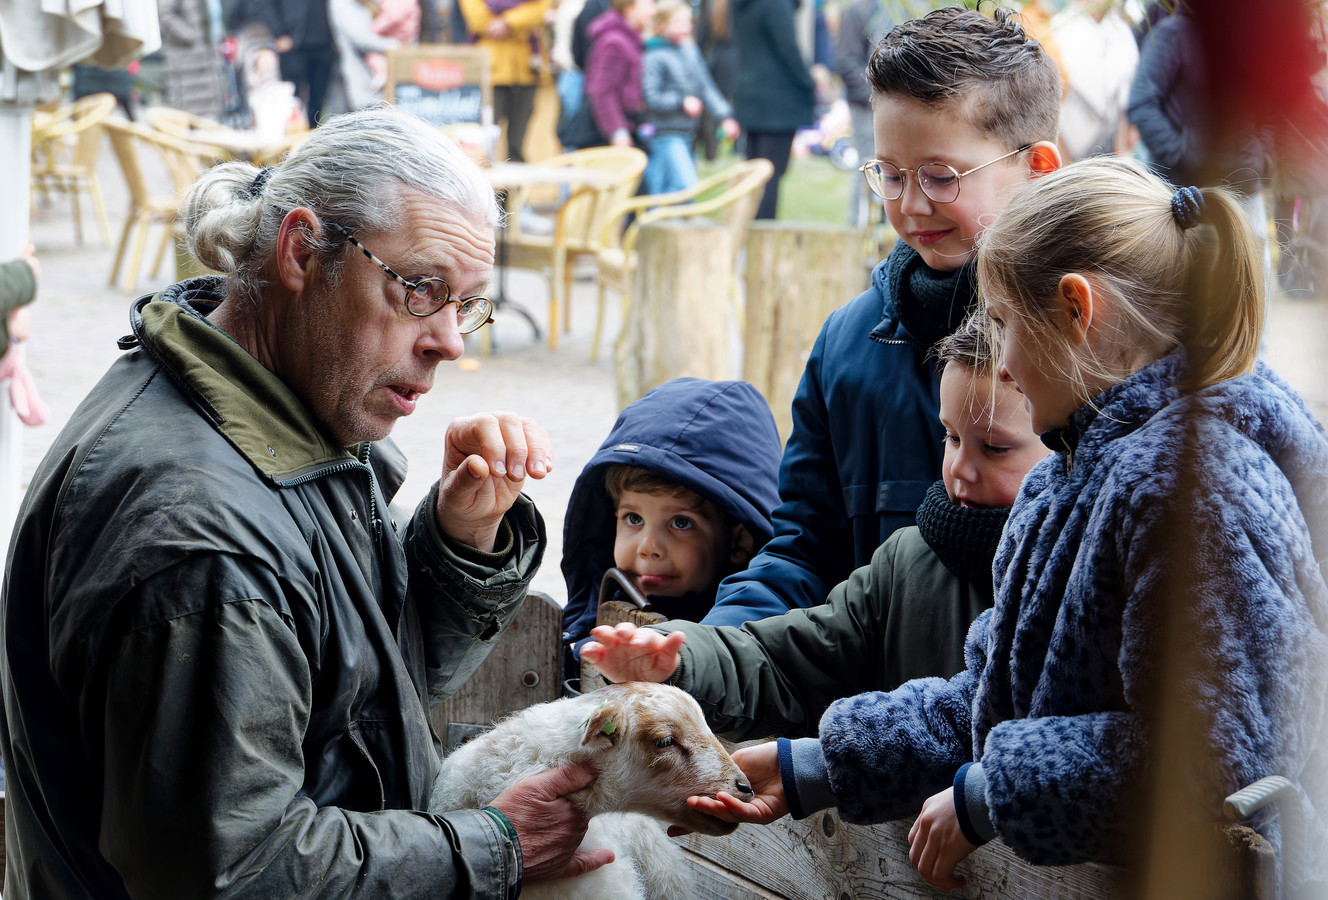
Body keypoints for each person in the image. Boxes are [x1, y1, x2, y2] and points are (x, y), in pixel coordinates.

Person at [605, 156, 1328, 893]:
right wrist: (810, 766)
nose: (1003, 361)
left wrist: (992, 795)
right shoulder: (1066, 481)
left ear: (1077, 312)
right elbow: (990, 702)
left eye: (1007, 324)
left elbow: (1213, 756)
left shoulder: (1190, 490)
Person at [0, 107, 617, 898]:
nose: (452, 342)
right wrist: (491, 848)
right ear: (300, 250)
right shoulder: (205, 539)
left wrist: (459, 541)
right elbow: (237, 872)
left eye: (465, 303)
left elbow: (355, 702)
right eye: (422, 290)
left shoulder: (281, 414)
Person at [702, 6, 1063, 628]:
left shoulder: (1095, 348)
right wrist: (709, 653)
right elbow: (805, 547)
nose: (911, 204)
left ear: (1037, 169)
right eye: (890, 175)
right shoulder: (848, 343)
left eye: (941, 177)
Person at [581, 311, 1048, 718]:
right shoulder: (906, 563)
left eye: (994, 447)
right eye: (950, 438)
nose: (960, 468)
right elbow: (793, 659)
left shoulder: (1085, 572)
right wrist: (685, 661)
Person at [560, 378, 781, 662]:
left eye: (680, 523)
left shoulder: (752, 646)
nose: (648, 546)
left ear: (741, 540)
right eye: (634, 518)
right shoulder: (588, 631)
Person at [640, 0, 739, 194]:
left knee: (668, 187)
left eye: (688, 21)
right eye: (680, 22)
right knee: (683, 184)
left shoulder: (689, 50)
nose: (687, 26)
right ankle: (662, 221)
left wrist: (724, 116)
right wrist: (680, 101)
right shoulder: (653, 54)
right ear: (663, 24)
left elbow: (705, 86)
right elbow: (650, 96)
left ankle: (671, 222)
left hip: (687, 131)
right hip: (664, 133)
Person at [732, 0, 817, 219]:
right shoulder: (776, 4)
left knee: (755, 173)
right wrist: (808, 82)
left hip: (750, 94)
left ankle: (749, 233)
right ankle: (761, 237)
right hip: (777, 100)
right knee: (769, 175)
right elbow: (787, 47)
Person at [458, 0, 551, 163]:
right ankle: (483, 185)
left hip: (525, 69)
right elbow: (476, 19)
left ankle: (515, 187)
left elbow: (541, 9)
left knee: (518, 142)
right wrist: (519, 26)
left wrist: (508, 22)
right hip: (490, 71)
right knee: (483, 139)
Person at [576, 0, 655, 148]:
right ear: (628, 8)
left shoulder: (631, 39)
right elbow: (602, 91)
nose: (653, 11)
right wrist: (617, 131)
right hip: (604, 133)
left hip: (627, 121)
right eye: (648, 4)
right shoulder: (614, 42)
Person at [157, 0, 228, 120]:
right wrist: (189, 35)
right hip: (186, 61)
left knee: (211, 119)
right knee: (189, 118)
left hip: (209, 59)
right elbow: (165, 13)